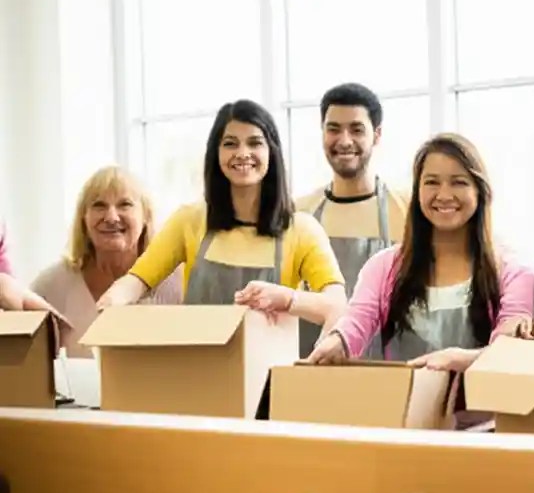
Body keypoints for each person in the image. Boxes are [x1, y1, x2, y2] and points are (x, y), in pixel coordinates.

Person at [97, 100, 346, 334]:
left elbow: (337, 307)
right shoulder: (189, 220)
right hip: (198, 372)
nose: (242, 153)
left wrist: (287, 298)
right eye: (230, 143)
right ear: (215, 154)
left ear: (272, 152)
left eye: (255, 142)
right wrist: (111, 301)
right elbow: (137, 280)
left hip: (273, 377)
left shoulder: (302, 229)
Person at [308, 133, 534, 369]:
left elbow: (510, 349)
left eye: (459, 182)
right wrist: (337, 341)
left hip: (485, 405)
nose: (444, 195)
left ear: (480, 191)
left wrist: (463, 360)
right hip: (400, 403)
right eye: (432, 182)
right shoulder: (384, 267)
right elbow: (356, 321)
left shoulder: (515, 274)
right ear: (417, 192)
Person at [294, 83, 411, 358]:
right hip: (312, 368)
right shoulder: (298, 214)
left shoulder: (408, 210)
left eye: (356, 130)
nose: (344, 140)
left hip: (385, 369)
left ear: (377, 135)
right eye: (333, 128)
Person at [31, 166, 182, 357]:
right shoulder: (52, 284)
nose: (111, 217)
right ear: (83, 219)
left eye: (125, 204)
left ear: (146, 217)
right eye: (99, 205)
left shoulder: (176, 279)